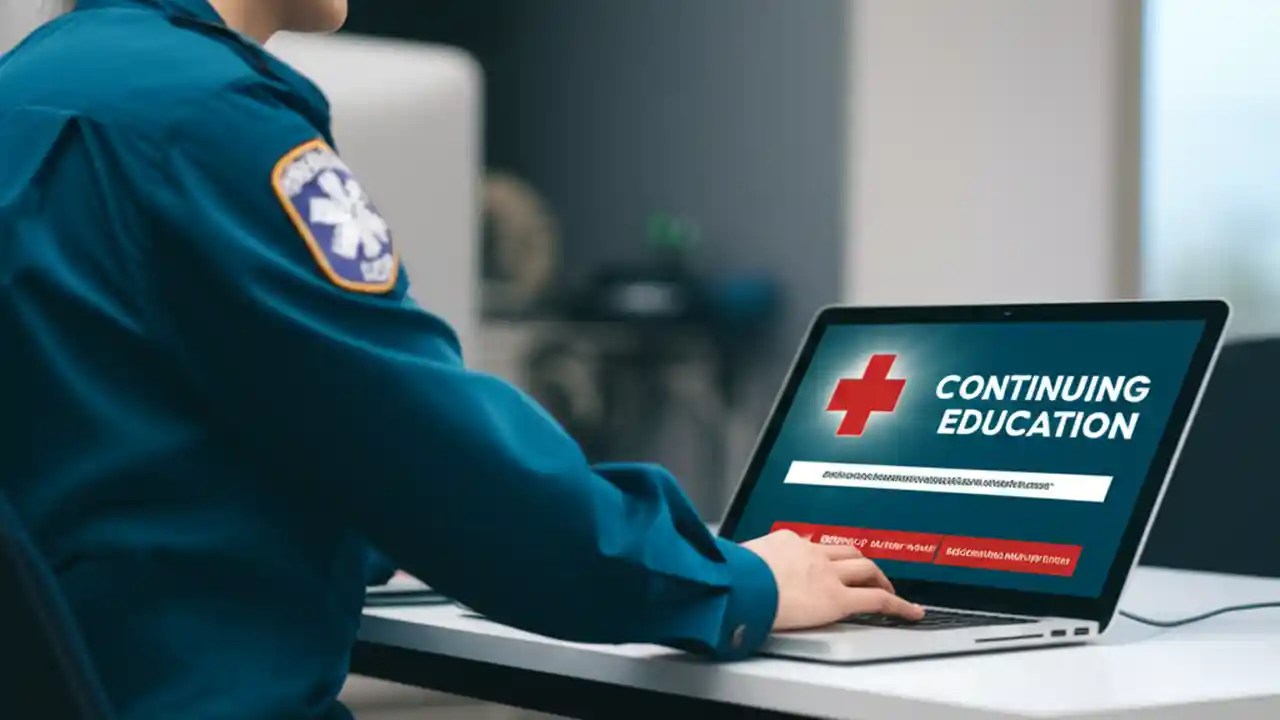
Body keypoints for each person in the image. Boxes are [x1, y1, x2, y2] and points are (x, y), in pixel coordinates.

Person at [0, 1, 923, 718]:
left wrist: (343, 531)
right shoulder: (205, 116)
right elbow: (440, 461)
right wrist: (743, 581)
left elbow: (111, 436)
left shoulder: (34, 87)